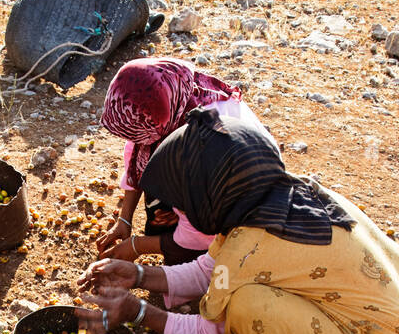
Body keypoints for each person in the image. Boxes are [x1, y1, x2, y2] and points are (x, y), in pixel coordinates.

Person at [77, 109, 399, 334]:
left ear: (210, 195)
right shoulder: (277, 196)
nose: (182, 210)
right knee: (243, 290)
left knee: (246, 307)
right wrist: (139, 274)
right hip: (396, 322)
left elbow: (209, 333)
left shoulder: (248, 247)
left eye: (186, 201)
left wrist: (138, 312)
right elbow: (210, 270)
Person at [95, 57, 272, 265]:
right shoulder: (168, 102)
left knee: (196, 263)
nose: (136, 141)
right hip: (201, 182)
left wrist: (138, 245)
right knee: (157, 191)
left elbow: (199, 234)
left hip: (242, 210)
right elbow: (137, 152)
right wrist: (124, 219)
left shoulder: (208, 141)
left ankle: (199, 265)